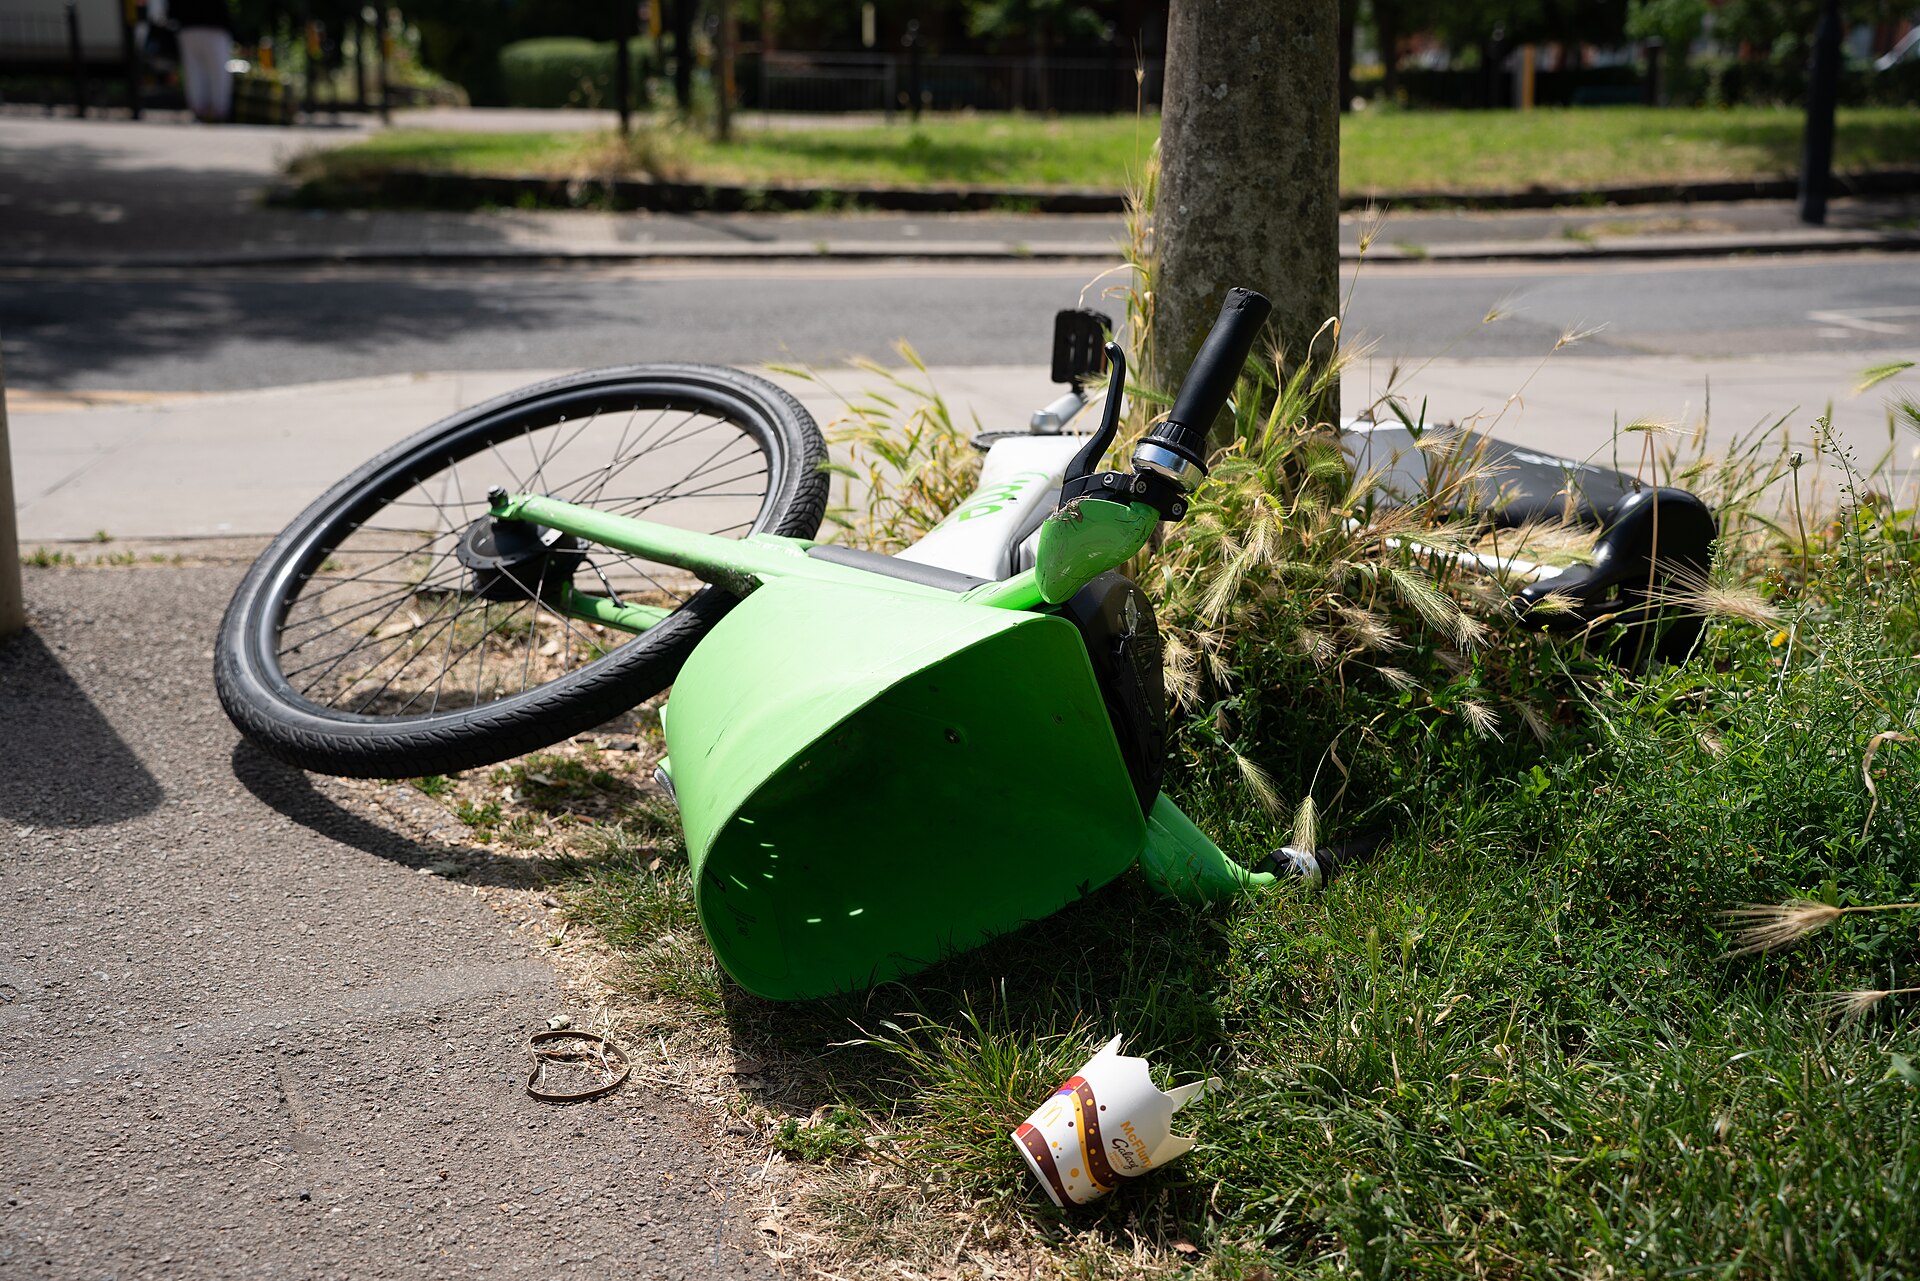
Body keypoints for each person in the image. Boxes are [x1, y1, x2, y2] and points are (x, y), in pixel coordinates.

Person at [167, 0, 235, 122]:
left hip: (188, 27)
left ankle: (199, 109)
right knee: (217, 72)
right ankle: (218, 111)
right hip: (213, 27)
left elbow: (172, 9)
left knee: (194, 72)